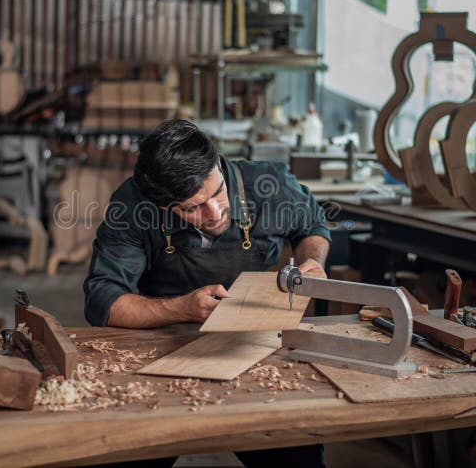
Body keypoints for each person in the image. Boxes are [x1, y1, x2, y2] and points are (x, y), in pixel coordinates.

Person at [84, 119, 330, 468]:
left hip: (254, 345)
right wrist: (181, 309)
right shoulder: (133, 204)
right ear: (163, 206)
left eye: (217, 193)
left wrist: (311, 261)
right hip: (164, 347)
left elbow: (313, 225)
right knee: (128, 451)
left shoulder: (268, 183)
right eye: (191, 207)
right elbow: (102, 300)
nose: (214, 214)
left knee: (296, 453)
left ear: (218, 164)